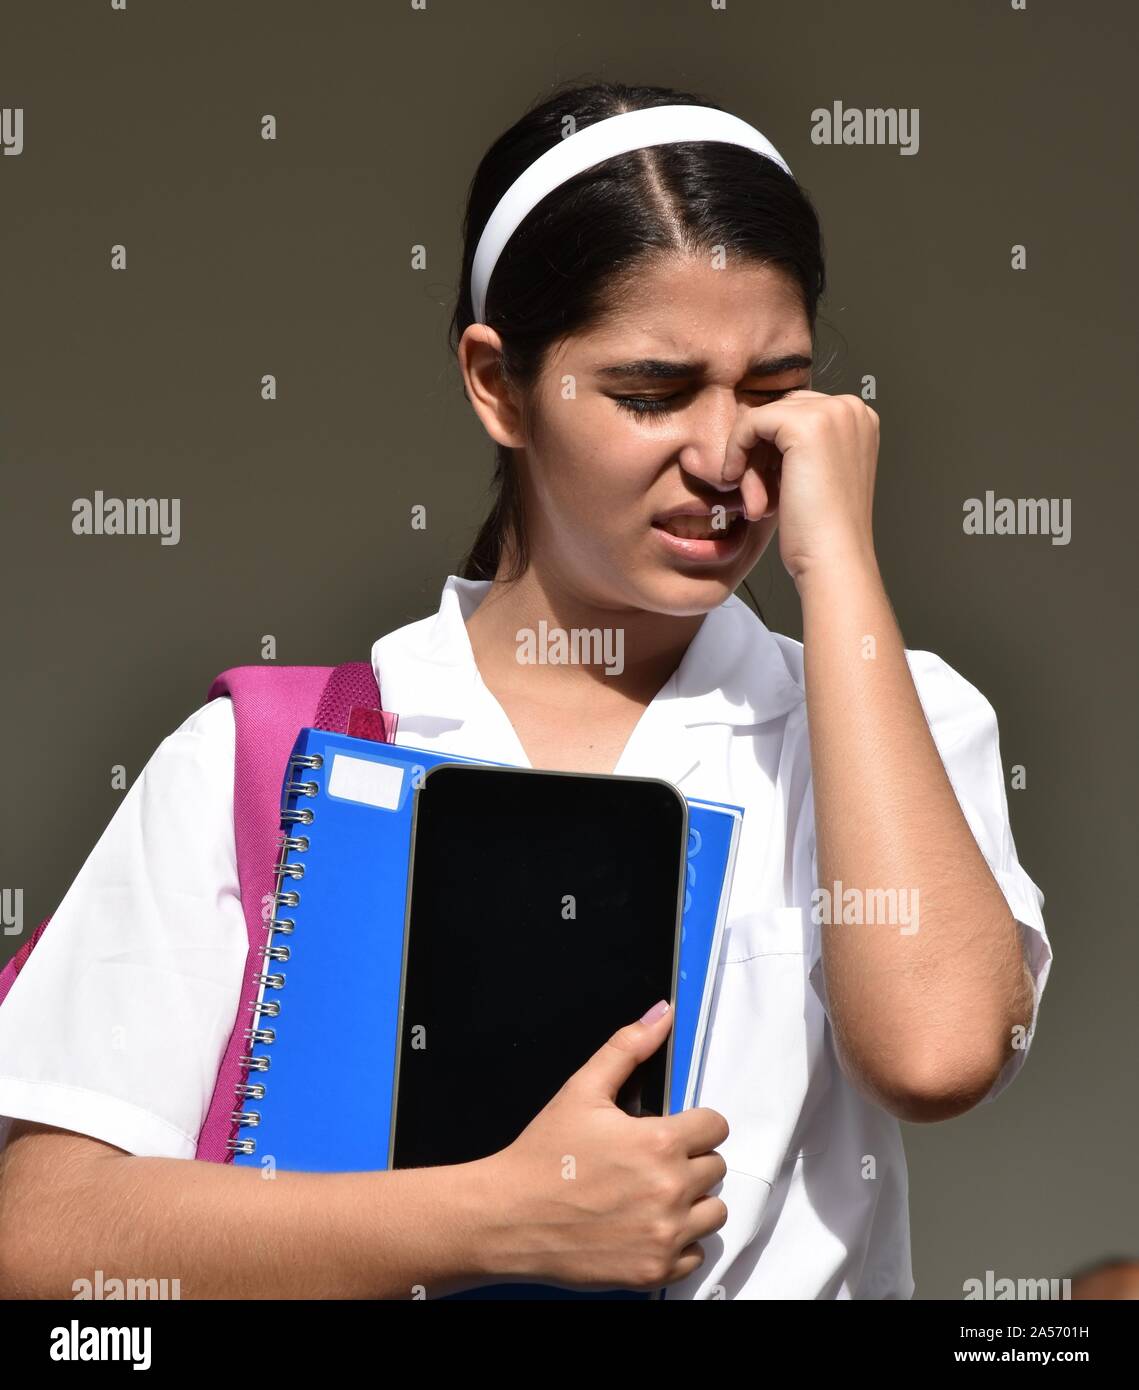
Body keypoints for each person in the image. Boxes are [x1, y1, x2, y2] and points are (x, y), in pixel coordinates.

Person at [0, 80, 1052, 1300]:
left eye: (772, 389)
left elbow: (934, 1055)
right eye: (650, 392)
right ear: (498, 385)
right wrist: (492, 1219)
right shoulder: (270, 751)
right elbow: (43, 1232)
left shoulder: (889, 717)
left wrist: (842, 573)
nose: (723, 461)